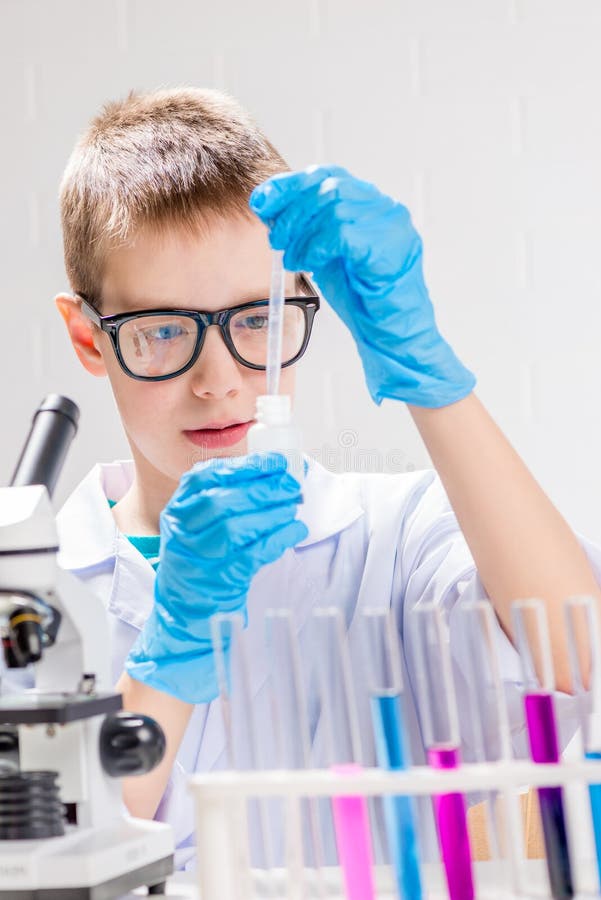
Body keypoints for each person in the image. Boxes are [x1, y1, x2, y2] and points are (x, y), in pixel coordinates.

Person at [51, 87, 601, 870]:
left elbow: (573, 650)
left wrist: (431, 381)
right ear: (87, 338)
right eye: (163, 329)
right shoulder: (34, 591)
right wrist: (168, 649)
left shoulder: (392, 534)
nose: (219, 380)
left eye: (255, 319)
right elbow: (51, 850)